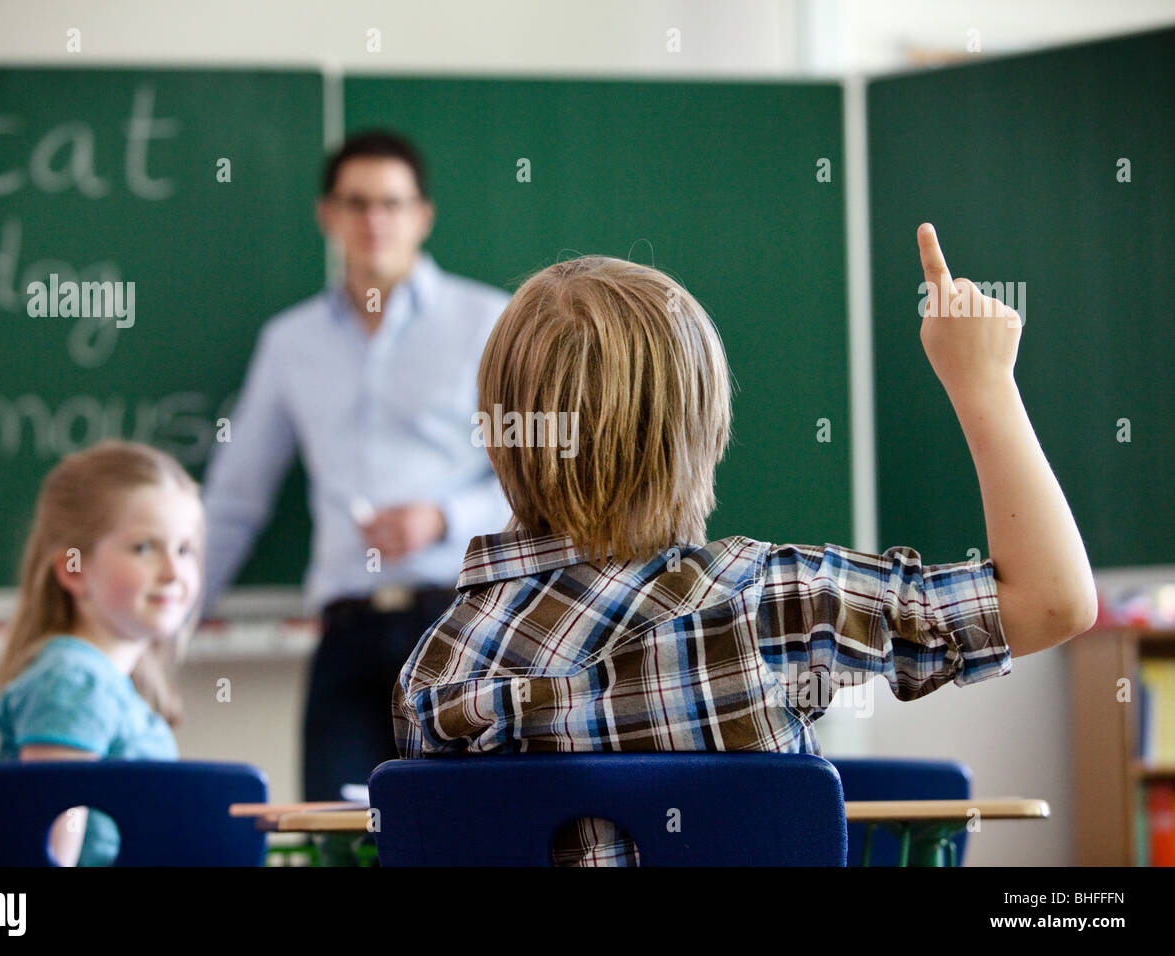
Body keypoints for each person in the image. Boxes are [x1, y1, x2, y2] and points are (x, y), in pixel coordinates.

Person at [393, 224, 1099, 866]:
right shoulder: (772, 606)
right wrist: (983, 382)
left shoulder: (437, 672)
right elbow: (1054, 601)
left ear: (497, 437)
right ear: (701, 434)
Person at [200, 130, 512, 805]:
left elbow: (546, 487)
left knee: (461, 837)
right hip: (344, 635)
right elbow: (234, 501)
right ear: (328, 215)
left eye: (392, 204)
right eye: (358, 203)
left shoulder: (490, 323)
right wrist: (156, 636)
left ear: (422, 216)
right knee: (333, 840)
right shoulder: (291, 343)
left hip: (459, 627)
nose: (375, 221)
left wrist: (443, 519)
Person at [0, 440, 204, 866]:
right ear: (73, 570)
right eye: (144, 547)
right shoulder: (74, 682)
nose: (173, 571)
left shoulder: (102, 683)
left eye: (184, 549)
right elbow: (52, 857)